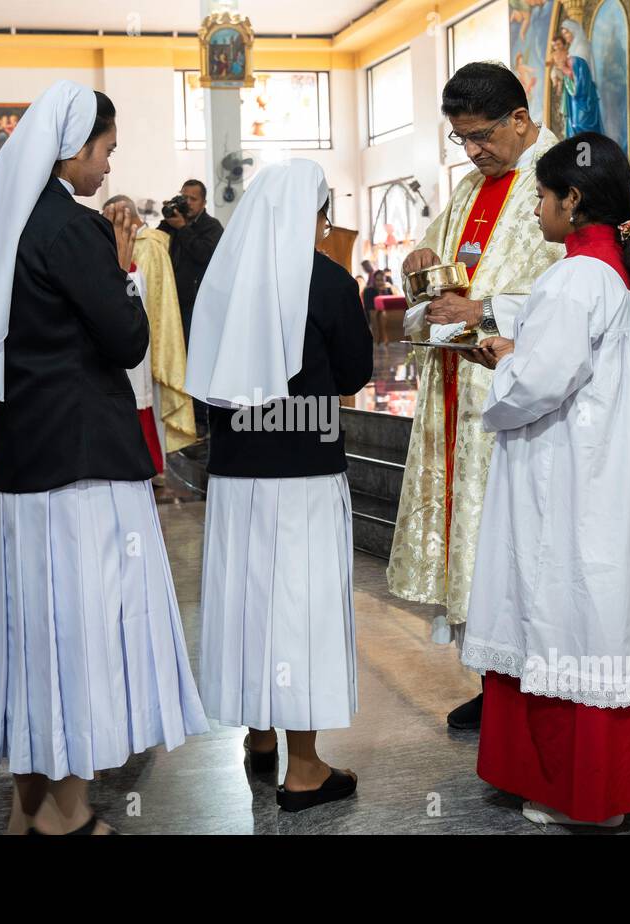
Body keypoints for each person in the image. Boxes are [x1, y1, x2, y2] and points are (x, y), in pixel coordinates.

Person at [0, 80, 207, 835]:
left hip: (30, 458)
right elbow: (127, 340)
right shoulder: (72, 228)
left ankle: (26, 808)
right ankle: (66, 815)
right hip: (84, 464)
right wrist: (125, 266)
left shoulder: (13, 221)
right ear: (76, 145)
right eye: (107, 151)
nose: (108, 168)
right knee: (85, 633)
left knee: (38, 632)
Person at [459, 132, 630, 827]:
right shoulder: (615, 272)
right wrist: (516, 341)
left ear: (573, 199)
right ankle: (615, 783)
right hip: (609, 476)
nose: (535, 209)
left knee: (570, 616)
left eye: (542, 195)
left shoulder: (576, 278)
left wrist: (502, 359)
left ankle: (581, 794)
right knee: (605, 617)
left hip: (571, 480)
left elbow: (539, 380)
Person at [187, 160, 373, 811]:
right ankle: (304, 769)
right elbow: (353, 371)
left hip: (237, 476)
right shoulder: (326, 281)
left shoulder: (227, 279)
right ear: (312, 215)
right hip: (304, 474)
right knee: (301, 611)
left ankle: (259, 733)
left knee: (249, 601)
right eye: (324, 215)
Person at [385, 62, 565, 730]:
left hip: (520, 400)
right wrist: (421, 272)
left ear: (520, 119)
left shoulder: (563, 180)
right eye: (461, 139)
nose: (472, 151)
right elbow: (437, 280)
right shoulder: (466, 190)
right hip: (460, 392)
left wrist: (483, 306)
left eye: (482, 135)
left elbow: (578, 292)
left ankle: (537, 687)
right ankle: (494, 684)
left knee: (515, 542)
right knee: (475, 546)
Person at [101, 194, 198, 467]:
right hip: (126, 337)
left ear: (126, 217)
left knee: (148, 404)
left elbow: (155, 299)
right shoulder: (122, 245)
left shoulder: (152, 246)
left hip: (148, 342)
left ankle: (154, 466)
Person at [157, 179, 224, 344]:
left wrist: (182, 228)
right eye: (184, 197)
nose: (188, 203)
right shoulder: (172, 222)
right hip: (171, 298)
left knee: (192, 345)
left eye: (193, 199)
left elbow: (203, 254)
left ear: (204, 203)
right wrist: (168, 218)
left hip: (195, 301)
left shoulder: (212, 226)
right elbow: (157, 246)